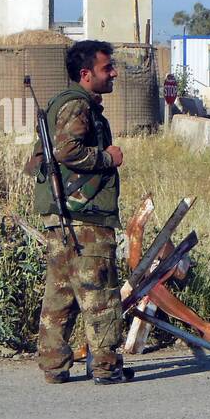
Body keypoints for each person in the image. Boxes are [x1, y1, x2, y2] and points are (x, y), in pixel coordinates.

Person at [31, 40, 130, 385]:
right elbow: (67, 150)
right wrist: (107, 159)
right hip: (84, 216)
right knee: (99, 291)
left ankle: (54, 367)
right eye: (107, 68)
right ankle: (105, 367)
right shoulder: (78, 106)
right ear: (86, 74)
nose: (114, 72)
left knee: (61, 292)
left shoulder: (65, 103)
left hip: (61, 216)